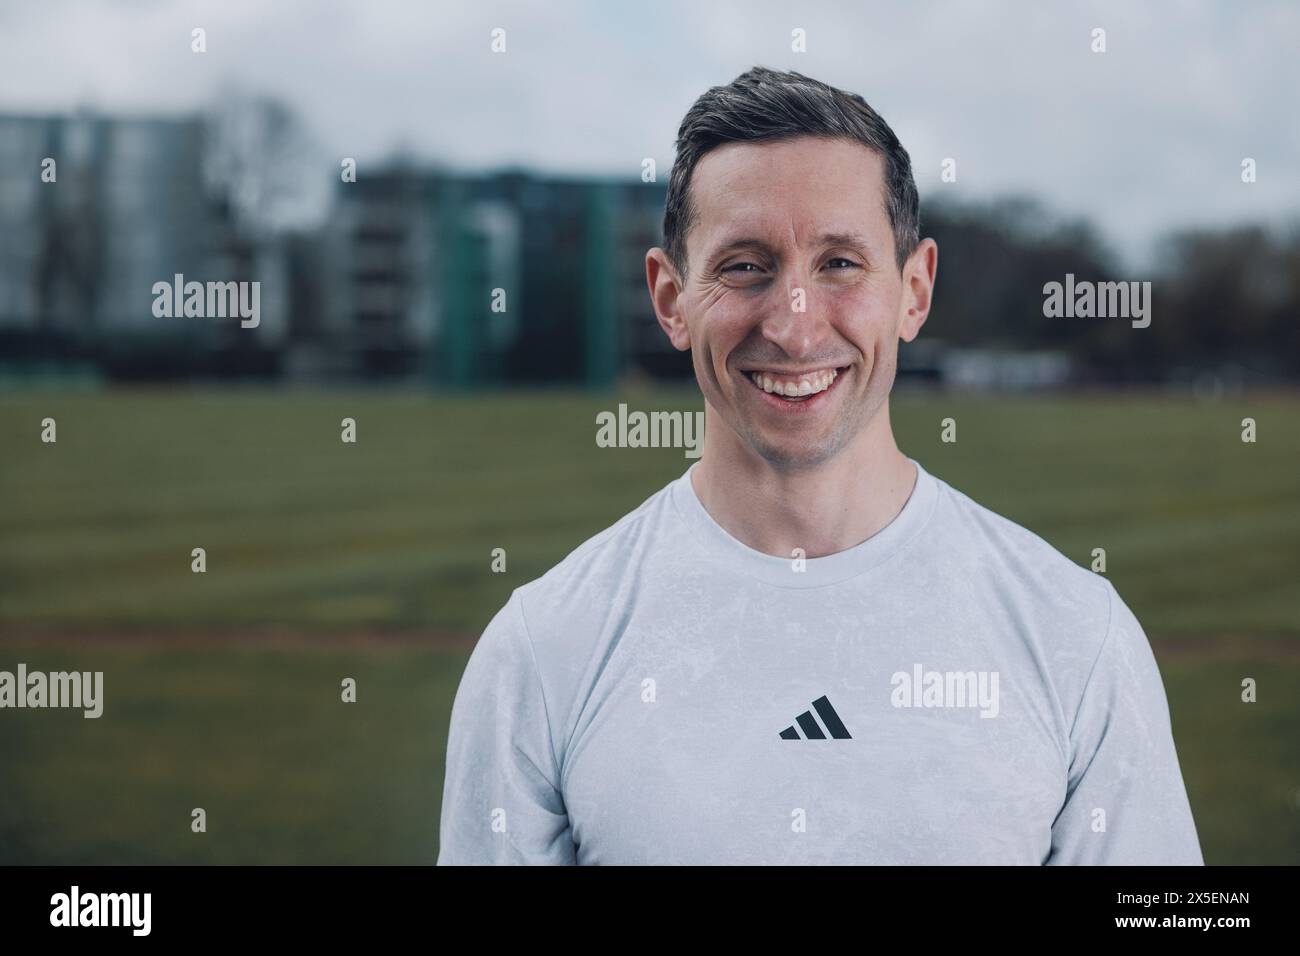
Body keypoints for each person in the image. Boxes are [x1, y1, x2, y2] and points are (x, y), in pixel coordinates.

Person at [436, 66, 1203, 865]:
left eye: (839, 263)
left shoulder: (1076, 634)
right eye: (744, 266)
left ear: (914, 291)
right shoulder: (541, 650)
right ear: (670, 299)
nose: (795, 329)